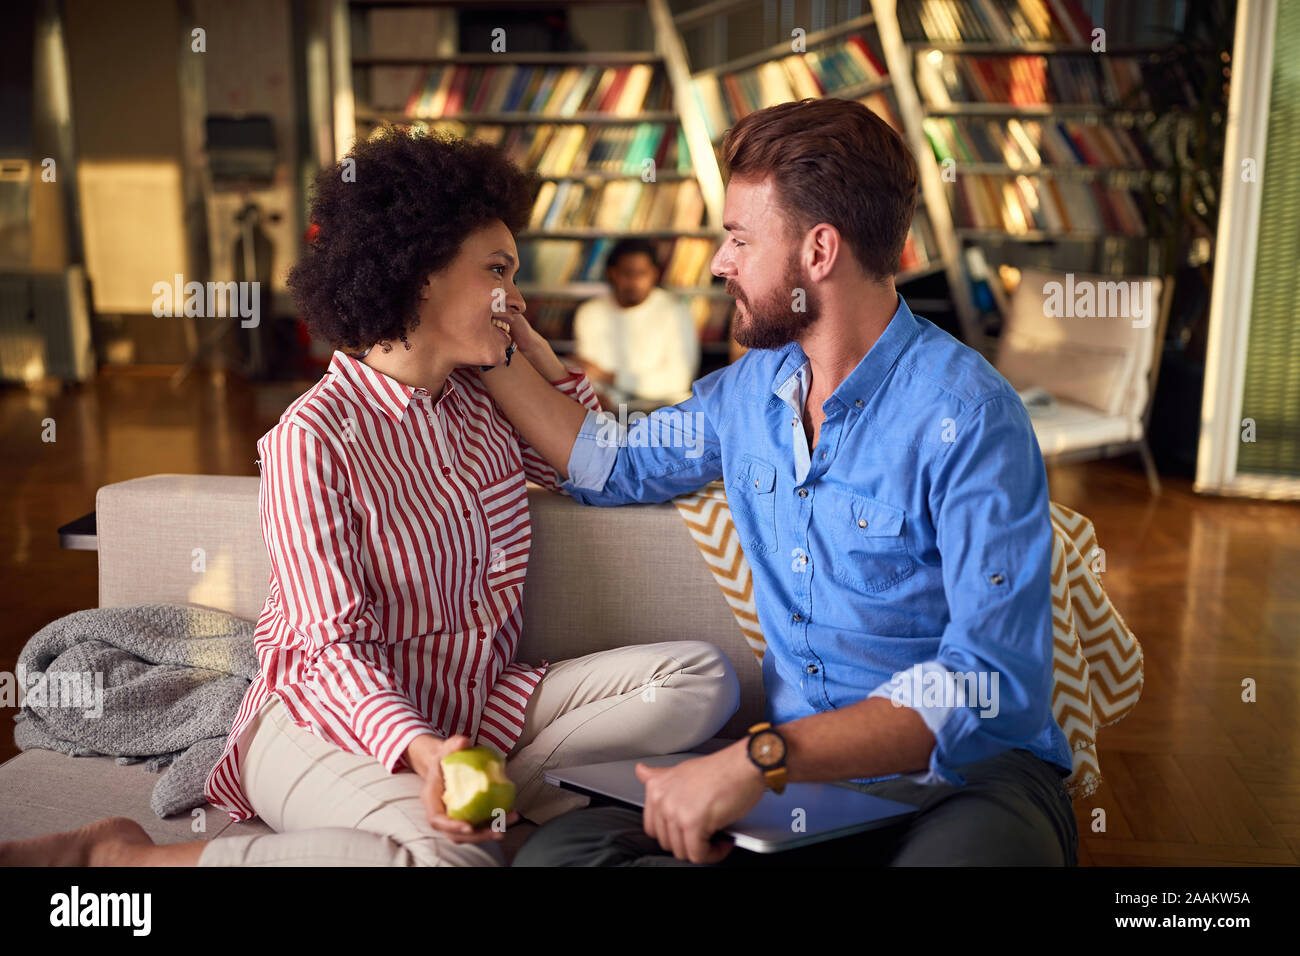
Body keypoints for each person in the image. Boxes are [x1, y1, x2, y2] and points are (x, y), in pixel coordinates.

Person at [0, 127, 739, 868]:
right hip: (325, 723)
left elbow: (591, 472)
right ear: (420, 274)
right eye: (497, 271)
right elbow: (329, 652)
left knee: (703, 678)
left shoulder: (479, 408)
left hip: (475, 709)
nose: (516, 297)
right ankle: (125, 860)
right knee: (453, 863)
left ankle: (486, 800)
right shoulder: (313, 439)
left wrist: (543, 366)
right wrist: (421, 754)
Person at [477, 98, 1079, 867]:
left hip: (961, 781)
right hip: (801, 790)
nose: (720, 262)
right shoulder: (746, 393)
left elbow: (989, 681)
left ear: (818, 252)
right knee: (561, 854)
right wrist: (493, 348)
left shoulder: (969, 416)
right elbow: (609, 463)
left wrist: (758, 758)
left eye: (736, 238)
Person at [572, 238, 699, 409]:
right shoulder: (589, 313)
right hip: (606, 412)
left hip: (663, 412)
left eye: (642, 273)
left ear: (655, 274)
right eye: (627, 273)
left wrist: (610, 377)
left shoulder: (675, 311)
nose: (634, 281)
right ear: (612, 273)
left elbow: (677, 381)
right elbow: (588, 374)